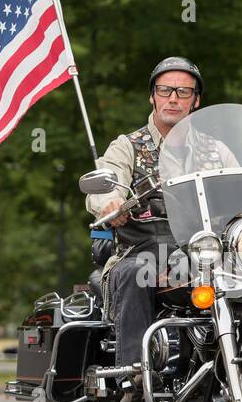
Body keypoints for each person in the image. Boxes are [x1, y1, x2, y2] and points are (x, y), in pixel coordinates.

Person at [84, 57, 204, 380]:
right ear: (153, 96)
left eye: (183, 91)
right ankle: (134, 381)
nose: (174, 98)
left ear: (196, 101)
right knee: (140, 272)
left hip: (201, 257)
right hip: (137, 253)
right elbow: (104, 181)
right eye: (165, 90)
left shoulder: (214, 152)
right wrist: (110, 204)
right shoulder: (129, 147)